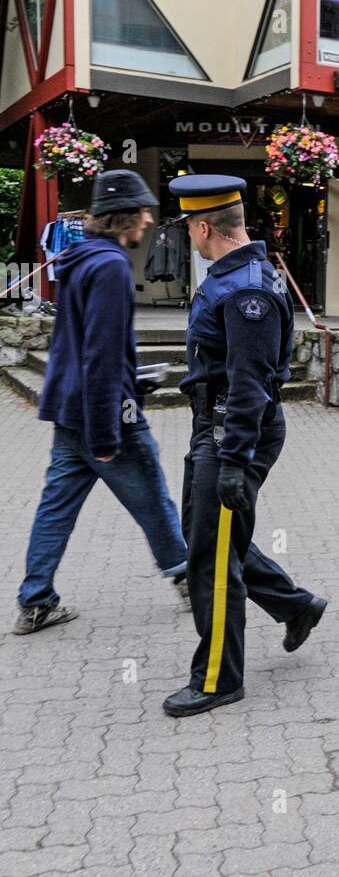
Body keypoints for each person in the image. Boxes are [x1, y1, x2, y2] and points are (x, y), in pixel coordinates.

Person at [162, 175, 326, 719]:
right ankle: (296, 605)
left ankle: (217, 679)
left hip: (232, 432)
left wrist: (234, 460)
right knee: (209, 539)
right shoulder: (238, 276)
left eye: (189, 225)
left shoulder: (245, 291)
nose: (188, 232)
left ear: (204, 226)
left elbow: (251, 384)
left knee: (209, 557)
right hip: (218, 426)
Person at [14, 170, 187, 635]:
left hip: (68, 407)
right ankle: (188, 576)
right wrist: (107, 434)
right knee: (152, 495)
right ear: (123, 215)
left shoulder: (77, 257)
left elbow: (86, 342)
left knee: (56, 507)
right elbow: (102, 354)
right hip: (104, 413)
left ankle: (35, 602)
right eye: (144, 211)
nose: (150, 220)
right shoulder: (109, 266)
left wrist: (134, 377)